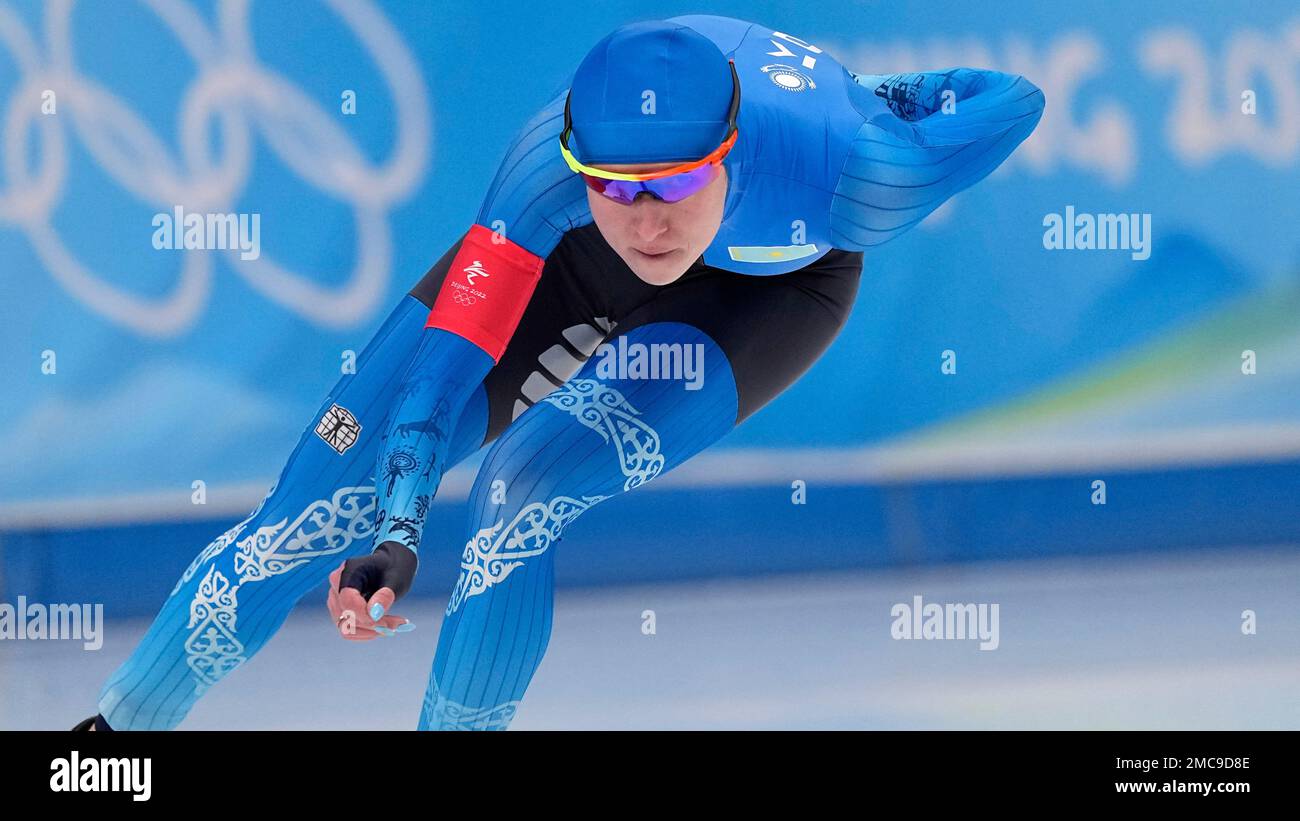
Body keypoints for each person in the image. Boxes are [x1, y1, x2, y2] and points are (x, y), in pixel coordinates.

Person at [76, 14, 1044, 731]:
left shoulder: (861, 173)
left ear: (729, 153)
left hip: (762, 291)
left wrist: (865, 88)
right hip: (562, 266)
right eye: (617, 188)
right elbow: (441, 372)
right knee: (311, 510)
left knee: (521, 483)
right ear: (577, 163)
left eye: (672, 184)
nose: (647, 221)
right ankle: (110, 746)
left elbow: (1012, 96)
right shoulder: (542, 176)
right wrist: (395, 532)